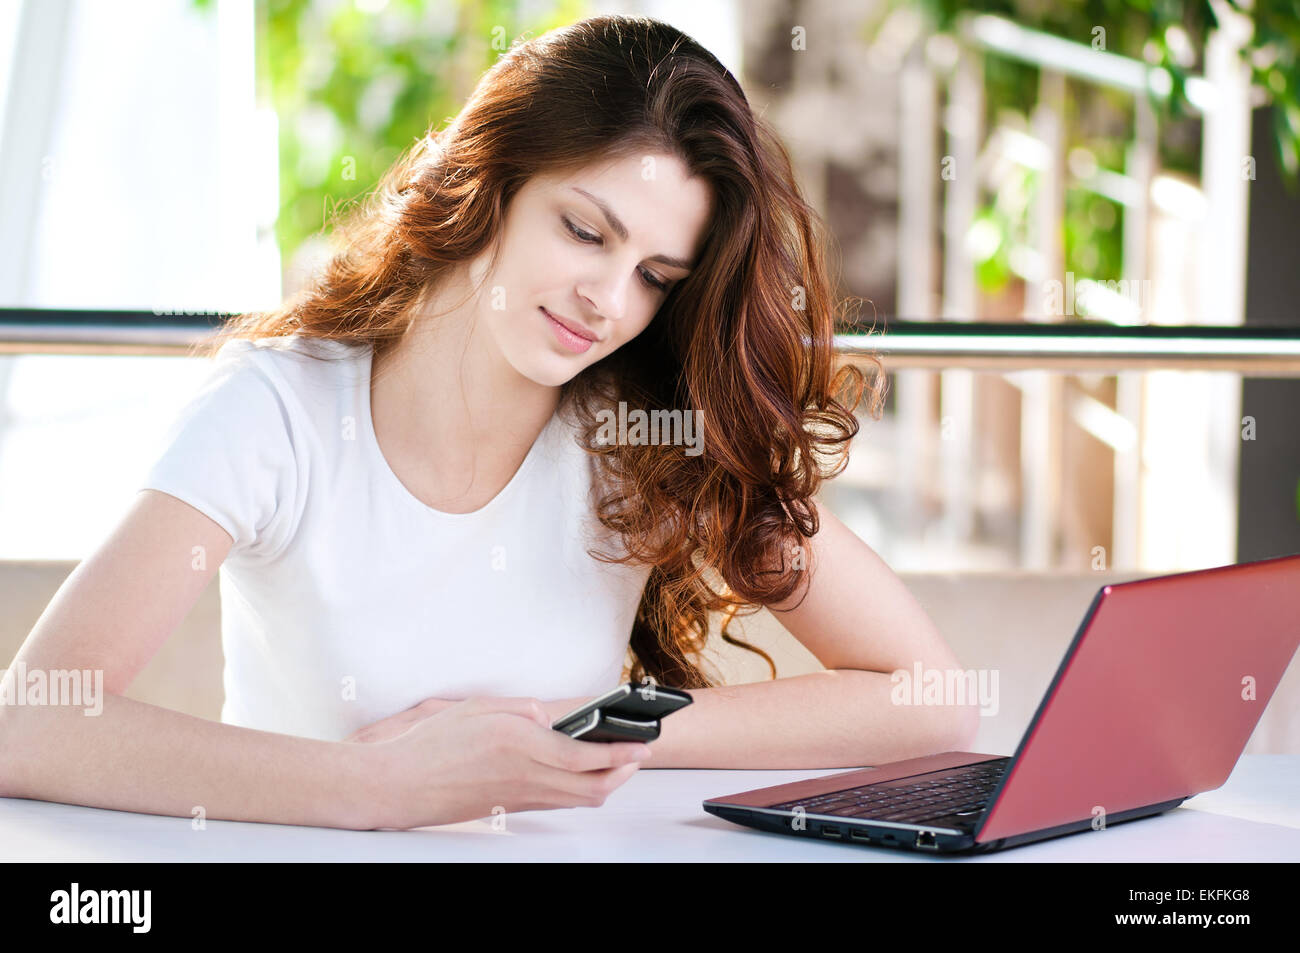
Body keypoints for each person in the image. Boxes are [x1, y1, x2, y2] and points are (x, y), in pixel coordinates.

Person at [0, 15, 975, 832]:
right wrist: (379, 786)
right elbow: (31, 722)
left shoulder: (641, 434)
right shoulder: (278, 412)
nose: (606, 298)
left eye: (653, 277)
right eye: (584, 231)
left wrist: (595, 724)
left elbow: (933, 696)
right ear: (488, 181)